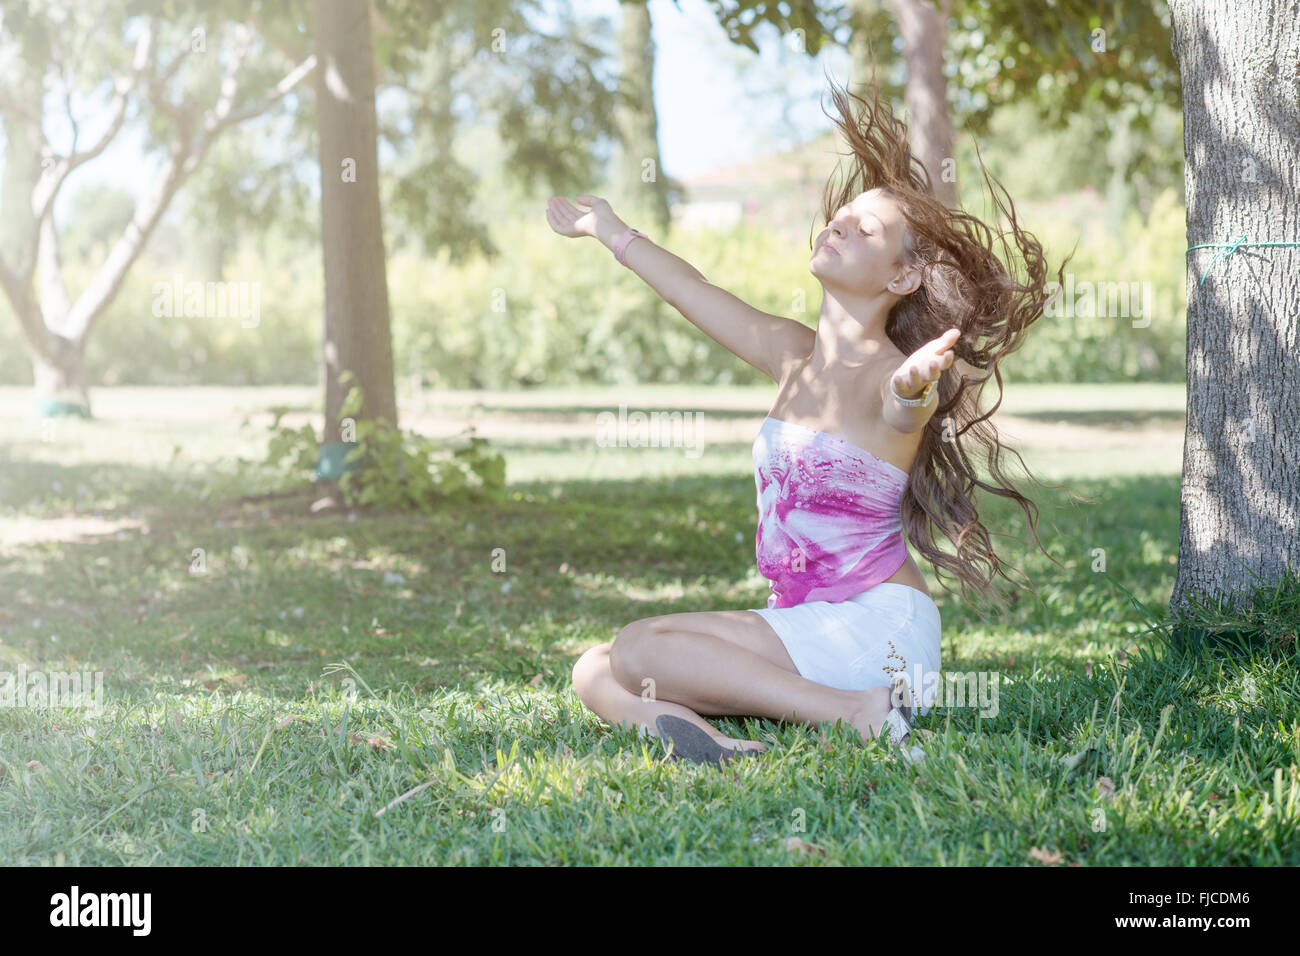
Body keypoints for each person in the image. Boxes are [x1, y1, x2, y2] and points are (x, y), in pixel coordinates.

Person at [549, 77, 1065, 767]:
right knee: (594, 668)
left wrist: (914, 387)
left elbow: (903, 408)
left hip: (882, 631)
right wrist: (608, 229)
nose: (840, 224)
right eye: (841, 215)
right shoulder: (792, 355)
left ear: (902, 276)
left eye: (867, 229)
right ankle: (713, 741)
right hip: (811, 626)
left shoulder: (896, 374)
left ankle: (859, 711)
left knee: (641, 647)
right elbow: (692, 290)